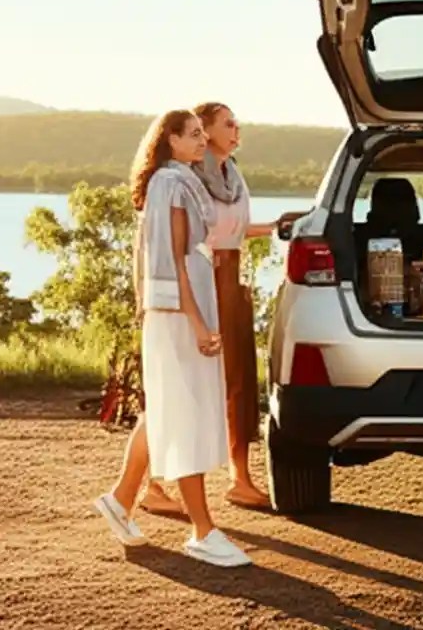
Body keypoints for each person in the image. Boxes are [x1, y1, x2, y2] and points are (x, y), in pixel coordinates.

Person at [92, 109, 253, 566]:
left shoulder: (181, 181)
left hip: (185, 314)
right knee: (185, 413)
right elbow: (176, 262)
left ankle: (121, 499)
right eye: (194, 134)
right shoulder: (170, 184)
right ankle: (203, 530)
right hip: (180, 317)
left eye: (205, 133)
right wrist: (199, 323)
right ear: (171, 140)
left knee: (167, 409)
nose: (202, 140)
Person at [138, 101, 275, 514]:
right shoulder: (183, 180)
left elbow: (233, 229)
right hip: (201, 280)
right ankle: (155, 484)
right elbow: (175, 245)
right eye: (227, 124)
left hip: (230, 277)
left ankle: (240, 477)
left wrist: (278, 227)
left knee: (237, 379)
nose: (237, 130)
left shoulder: (234, 177)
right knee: (185, 386)